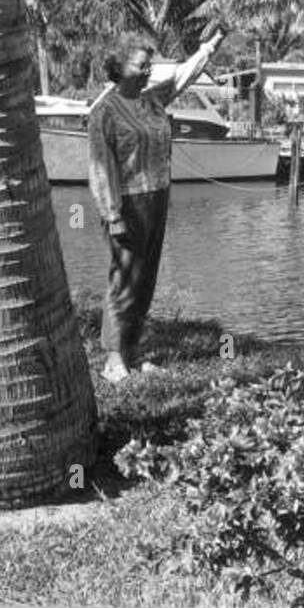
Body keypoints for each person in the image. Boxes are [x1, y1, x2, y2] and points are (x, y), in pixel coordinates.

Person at [88, 29, 223, 384]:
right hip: (126, 203)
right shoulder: (104, 112)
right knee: (124, 280)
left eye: (150, 66)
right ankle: (113, 358)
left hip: (157, 197)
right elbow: (101, 167)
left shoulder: (151, 101)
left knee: (145, 280)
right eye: (141, 65)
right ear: (119, 67)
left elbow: (183, 74)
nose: (148, 71)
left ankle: (134, 353)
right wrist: (112, 214)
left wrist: (211, 44)